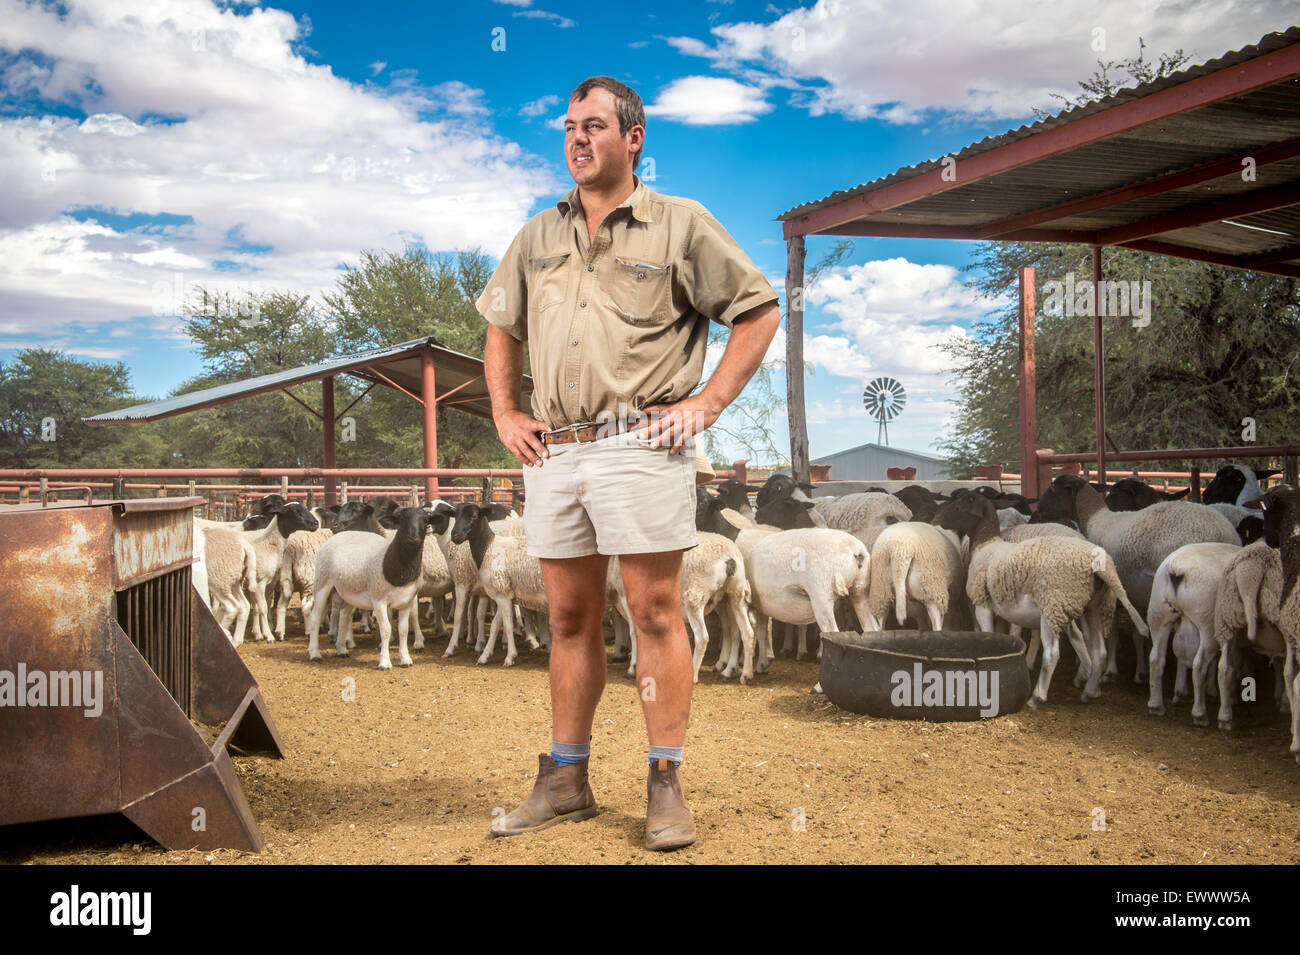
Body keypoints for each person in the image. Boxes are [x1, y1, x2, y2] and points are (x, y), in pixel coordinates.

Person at [476, 75, 781, 851]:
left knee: (652, 612)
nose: (579, 138)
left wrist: (705, 407)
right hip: (556, 447)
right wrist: (508, 412)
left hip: (640, 443)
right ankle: (566, 779)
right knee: (571, 617)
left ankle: (664, 781)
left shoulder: (679, 225)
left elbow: (758, 308)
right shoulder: (537, 237)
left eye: (596, 126)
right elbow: (500, 328)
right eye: (569, 126)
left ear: (633, 138)